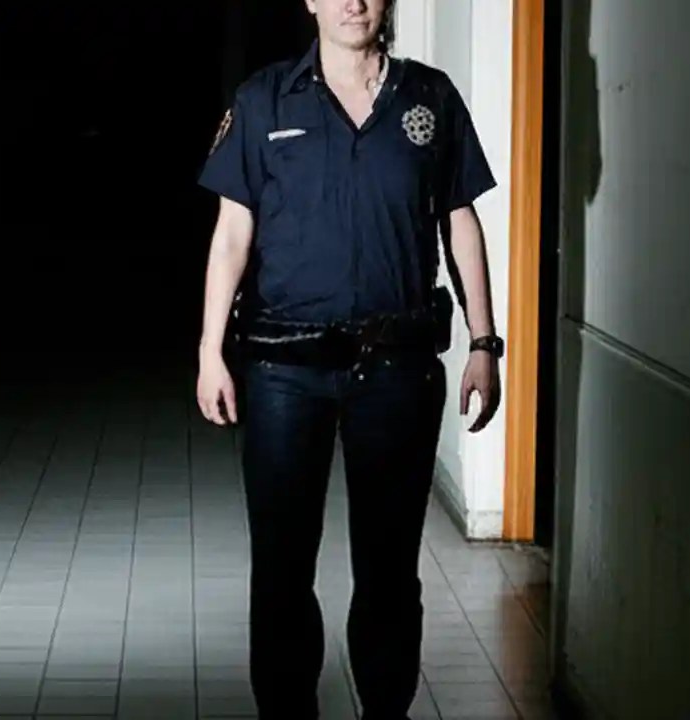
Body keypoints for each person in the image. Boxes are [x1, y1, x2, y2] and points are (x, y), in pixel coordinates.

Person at [193, 1, 503, 717]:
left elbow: (460, 222)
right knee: (281, 570)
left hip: (396, 368)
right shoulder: (265, 100)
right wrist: (211, 350)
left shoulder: (429, 98)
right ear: (309, 1)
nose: (352, 3)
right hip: (284, 369)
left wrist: (485, 342)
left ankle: (386, 709)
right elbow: (232, 233)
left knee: (389, 570)